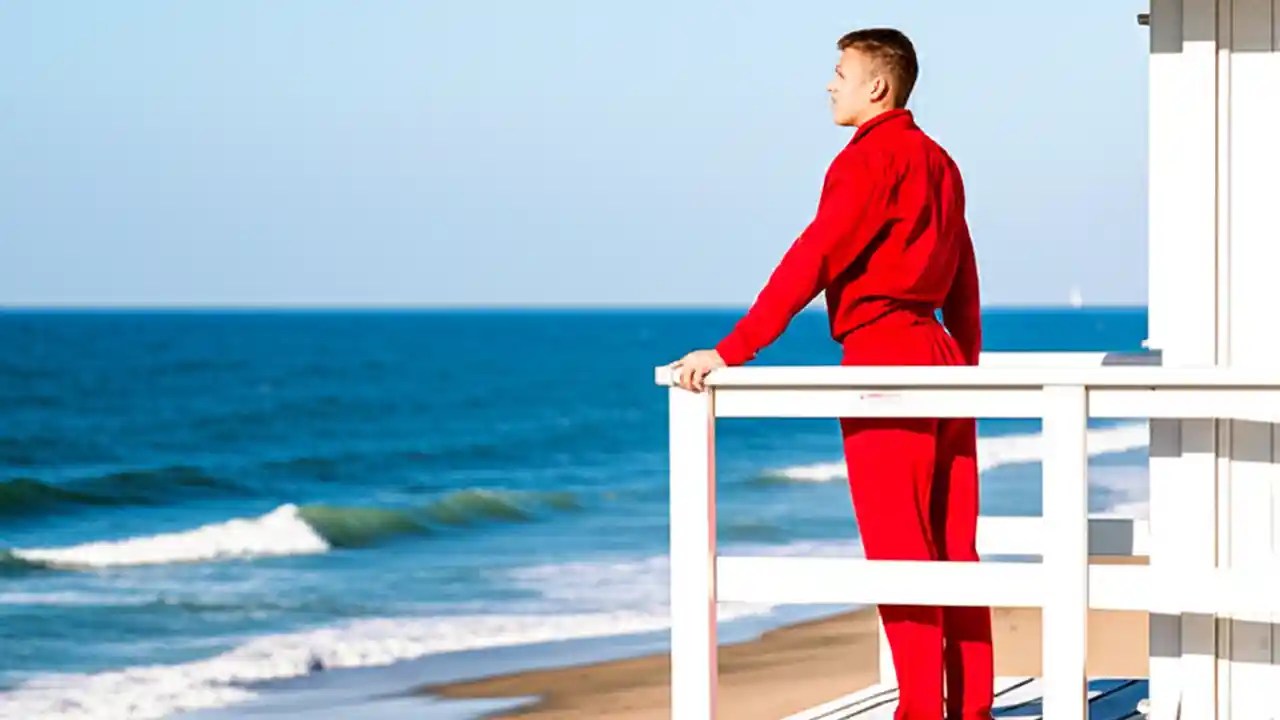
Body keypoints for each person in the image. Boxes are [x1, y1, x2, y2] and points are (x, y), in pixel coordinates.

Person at [668, 28, 993, 720]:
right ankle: (968, 708)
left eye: (840, 71)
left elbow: (814, 254)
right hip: (941, 358)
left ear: (877, 85)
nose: (829, 83)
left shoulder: (868, 160)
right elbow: (964, 276)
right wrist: (968, 371)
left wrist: (735, 348)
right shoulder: (942, 162)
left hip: (885, 358)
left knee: (900, 543)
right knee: (953, 544)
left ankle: (918, 711)